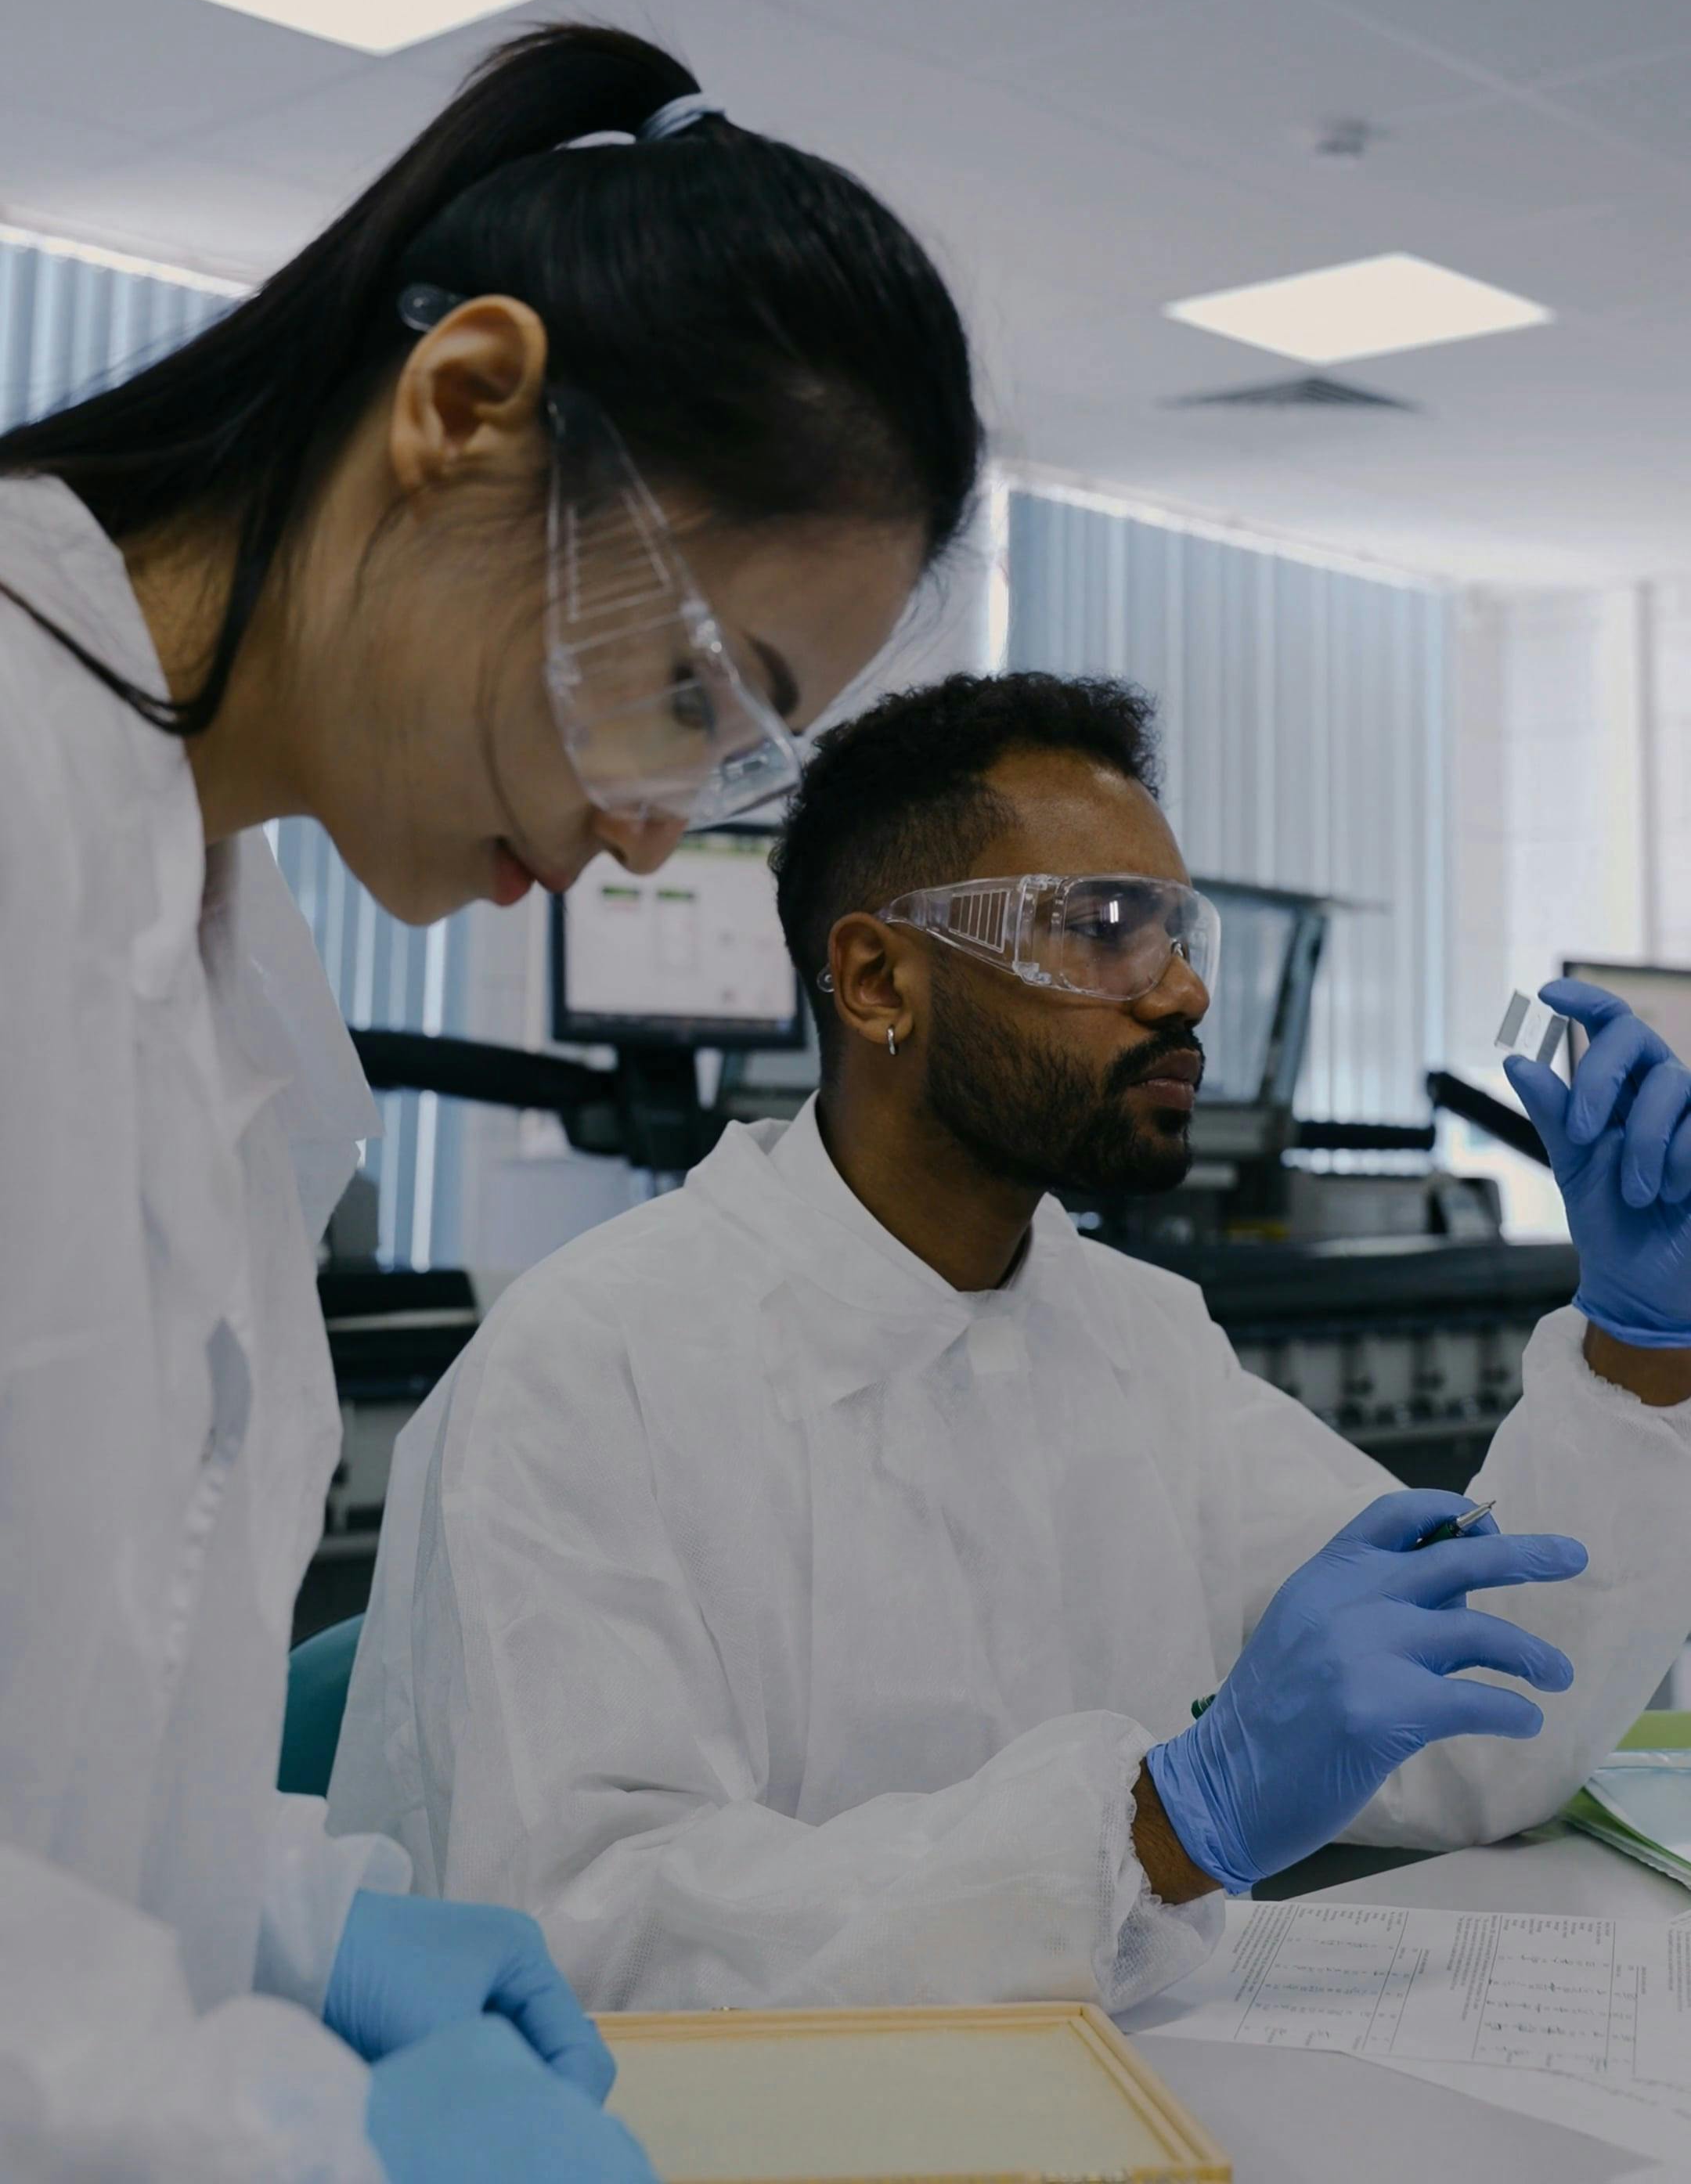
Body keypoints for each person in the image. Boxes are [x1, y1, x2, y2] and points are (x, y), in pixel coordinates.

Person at [0, 23, 981, 2181]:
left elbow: (55, 1751)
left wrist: (283, 1917)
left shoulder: (225, 972)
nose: (653, 834)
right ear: (463, 411)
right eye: (688, 690)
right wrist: (311, 2142)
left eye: (734, 764)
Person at [330, 671, 1691, 2022]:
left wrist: (1644, 1345)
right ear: (877, 980)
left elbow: (1483, 1714)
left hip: (1145, 2110)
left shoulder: (1139, 1341)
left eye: (1182, 931)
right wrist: (1158, 1825)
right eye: (1108, 927)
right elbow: (586, 1942)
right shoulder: (589, 1367)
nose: (1185, 991)